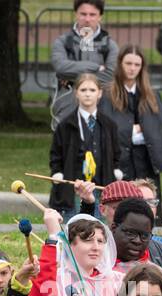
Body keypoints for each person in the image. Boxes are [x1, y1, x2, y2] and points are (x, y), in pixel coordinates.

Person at [100, 45, 162, 225]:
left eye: (136, 64)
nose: (132, 68)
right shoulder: (108, 94)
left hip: (145, 160)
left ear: (142, 67)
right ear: (120, 64)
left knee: (148, 202)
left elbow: (158, 127)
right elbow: (107, 127)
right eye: (128, 63)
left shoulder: (150, 94)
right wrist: (132, 130)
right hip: (120, 160)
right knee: (122, 202)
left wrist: (144, 130)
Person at [49, 72, 123, 215]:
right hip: (74, 188)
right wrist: (57, 173)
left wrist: (116, 170)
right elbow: (56, 155)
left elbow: (116, 154)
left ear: (99, 93)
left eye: (92, 90)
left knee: (97, 230)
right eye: (83, 90)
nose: (87, 94)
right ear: (76, 93)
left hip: (101, 187)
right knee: (75, 229)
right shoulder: (65, 125)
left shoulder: (109, 125)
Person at [50, 0, 118, 130]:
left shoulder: (110, 45)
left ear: (100, 16)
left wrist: (73, 76)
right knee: (67, 146)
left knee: (98, 146)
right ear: (76, 14)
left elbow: (110, 76)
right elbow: (60, 67)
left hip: (101, 104)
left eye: (92, 15)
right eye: (83, 14)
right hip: (67, 102)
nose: (87, 19)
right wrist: (96, 67)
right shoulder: (62, 42)